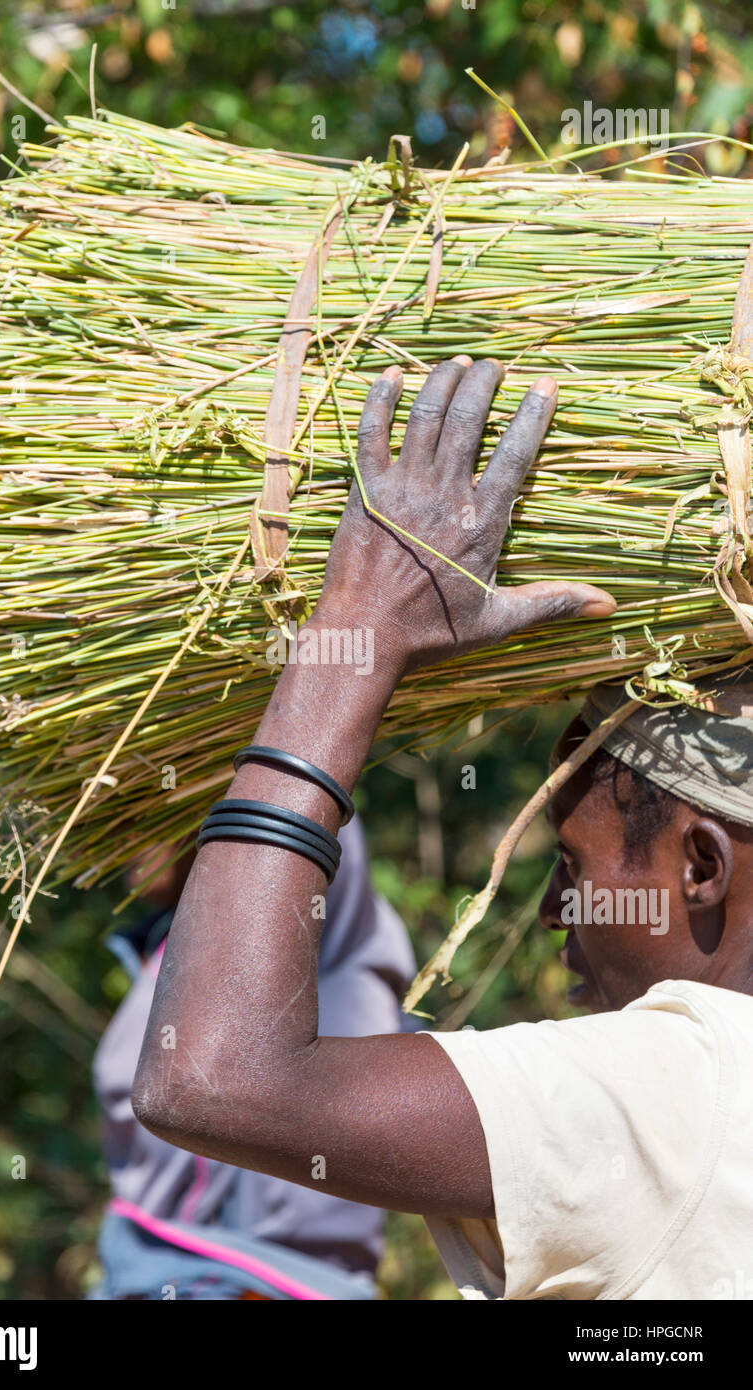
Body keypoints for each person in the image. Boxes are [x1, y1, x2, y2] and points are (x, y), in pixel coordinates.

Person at [131, 355, 753, 1300]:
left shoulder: (685, 1095)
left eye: (570, 865)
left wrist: (360, 628)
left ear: (700, 864)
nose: (551, 914)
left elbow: (209, 1080)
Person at [91, 816, 416, 1300]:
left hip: (264, 1282)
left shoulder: (318, 934)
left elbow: (308, 808)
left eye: (142, 814)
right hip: (139, 1276)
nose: (119, 835)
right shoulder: (164, 947)